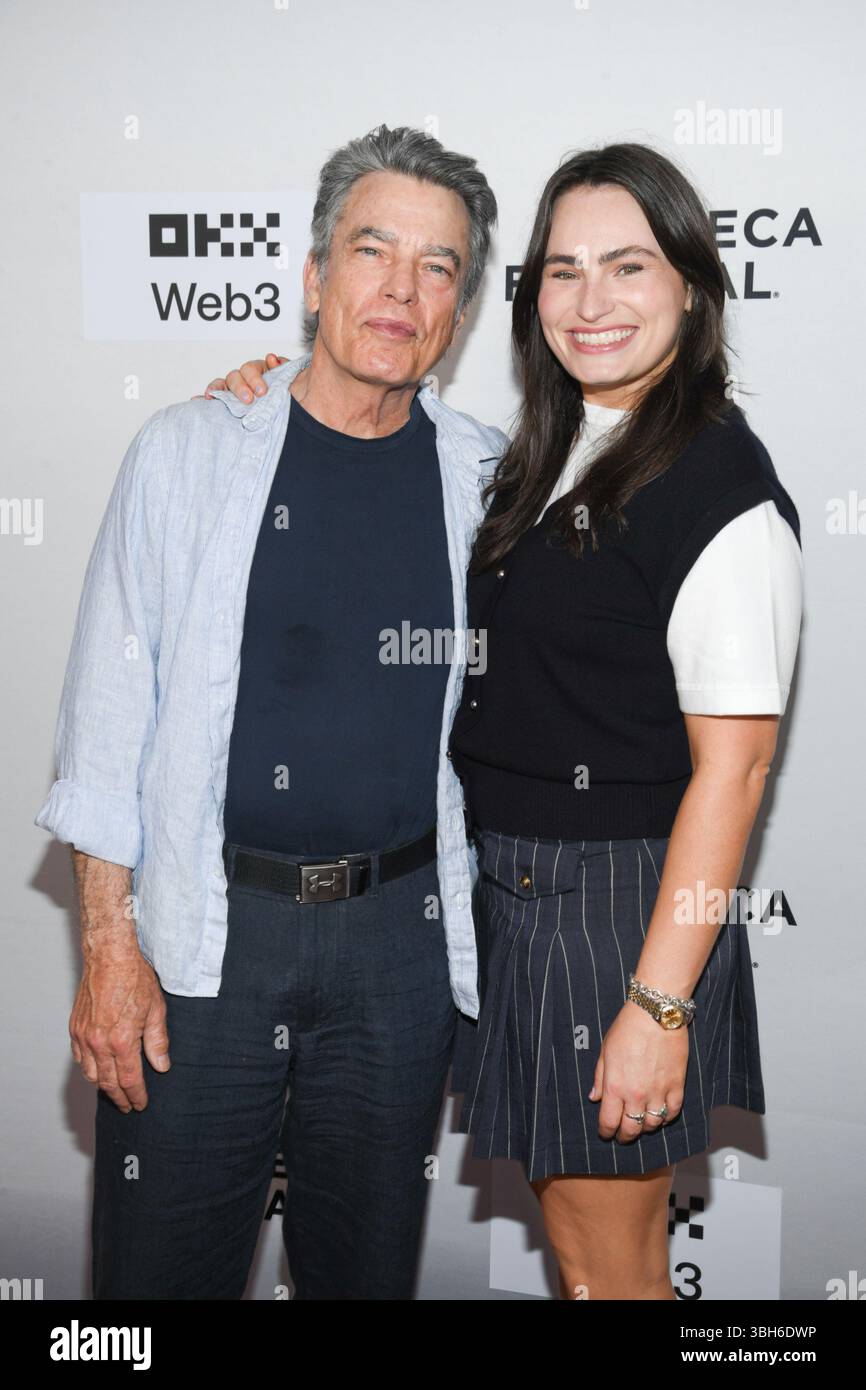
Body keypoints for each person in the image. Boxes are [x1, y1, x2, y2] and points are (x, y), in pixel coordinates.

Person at [212, 142, 803, 1301]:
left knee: (605, 1272)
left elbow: (733, 777)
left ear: (689, 284)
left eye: (626, 268)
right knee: (587, 1263)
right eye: (561, 271)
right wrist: (249, 402)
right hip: (521, 906)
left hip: (617, 923)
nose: (589, 303)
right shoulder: (552, 449)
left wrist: (656, 1004)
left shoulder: (719, 489)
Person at [34, 124, 507, 1300]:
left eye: (437, 265)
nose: (400, 288)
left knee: (363, 1279)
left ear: (458, 306)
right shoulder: (190, 454)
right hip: (206, 946)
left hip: (398, 949)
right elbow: (105, 725)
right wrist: (108, 948)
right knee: (154, 1284)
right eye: (372, 250)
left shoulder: (489, 481)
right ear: (311, 277)